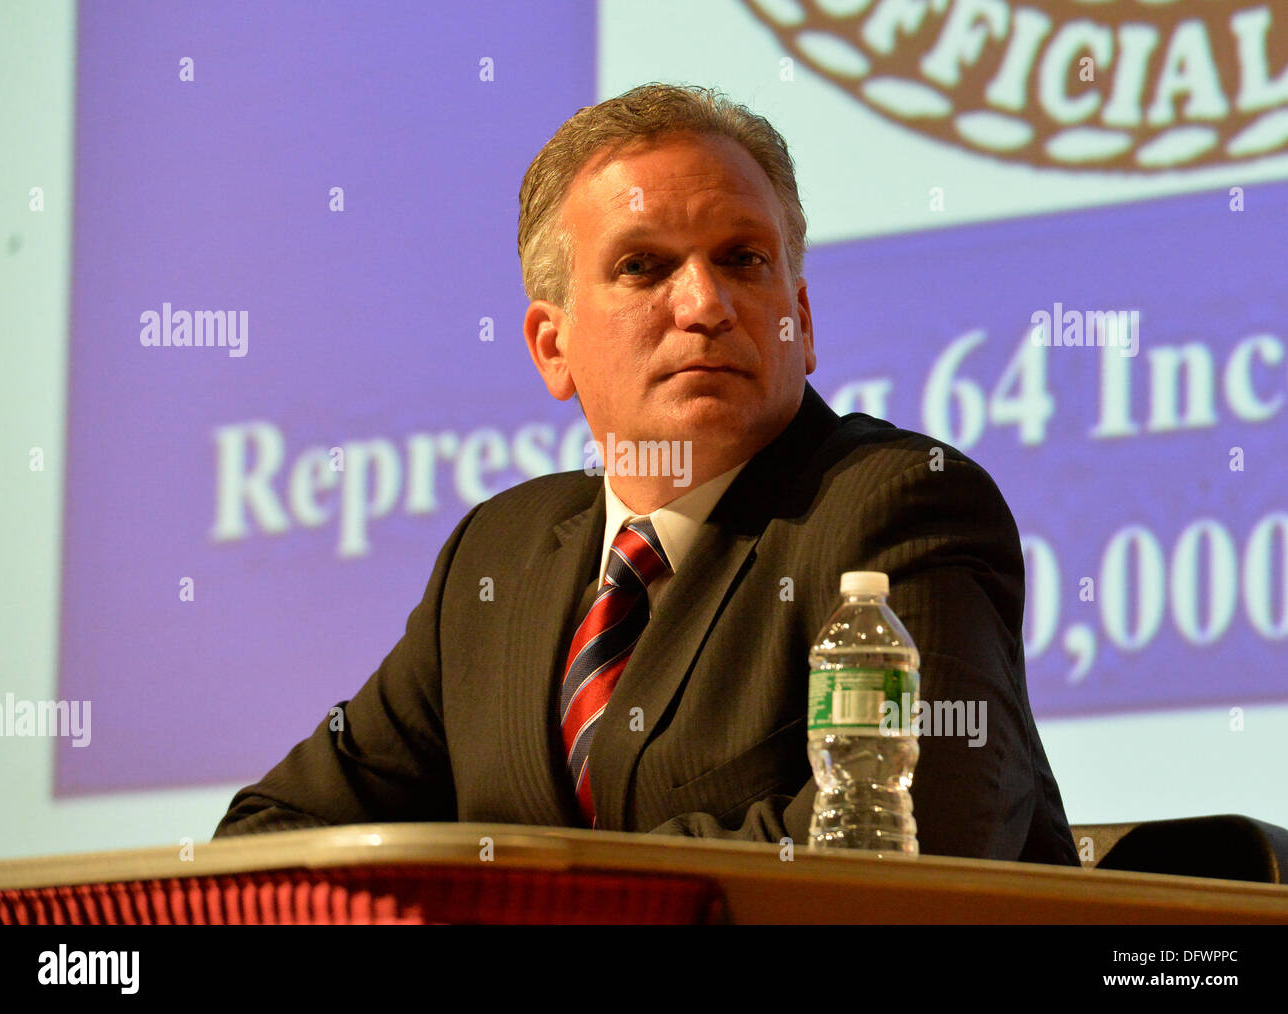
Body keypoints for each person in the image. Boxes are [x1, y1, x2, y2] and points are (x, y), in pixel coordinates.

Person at [214, 83, 1079, 864]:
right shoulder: (496, 559)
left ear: (802, 323)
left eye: (744, 259)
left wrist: (529, 898)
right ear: (554, 348)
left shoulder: (897, 506)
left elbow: (906, 845)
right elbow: (273, 833)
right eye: (644, 266)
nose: (705, 304)